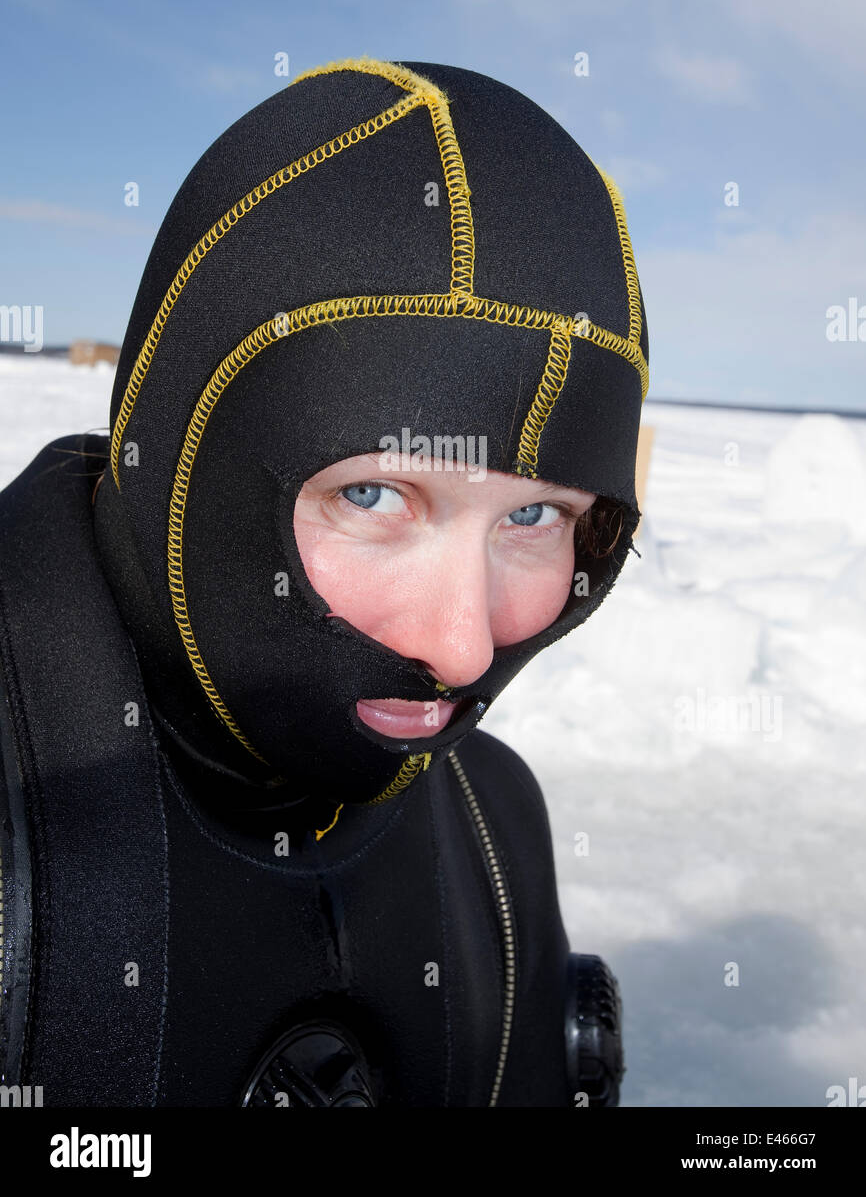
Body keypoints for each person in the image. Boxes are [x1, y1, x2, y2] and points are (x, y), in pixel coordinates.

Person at [0, 55, 649, 1107]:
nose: (463, 646)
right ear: (187, 459)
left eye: (534, 517)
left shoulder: (493, 826)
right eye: (375, 497)